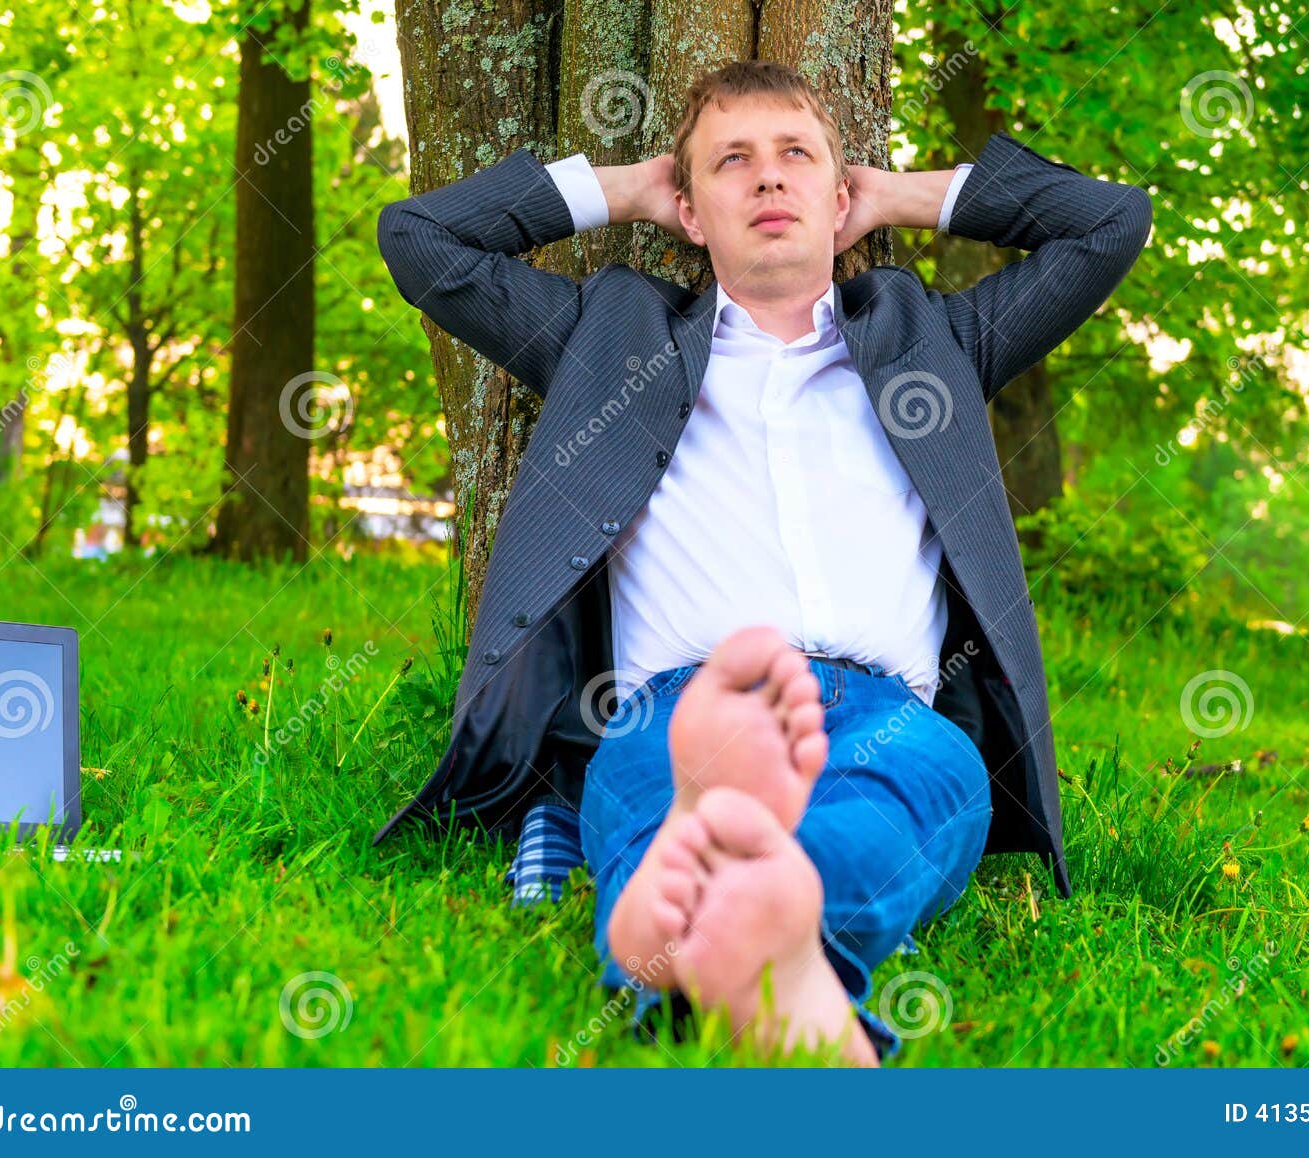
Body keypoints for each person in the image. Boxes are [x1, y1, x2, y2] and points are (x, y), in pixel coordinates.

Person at [374, 59, 1152, 1065]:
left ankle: (726, 938)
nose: (769, 177)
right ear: (689, 211)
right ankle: (780, 957)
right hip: (684, 711)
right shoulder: (609, 339)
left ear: (840, 197)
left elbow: (1111, 223)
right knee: (655, 801)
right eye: (731, 162)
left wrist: (897, 195)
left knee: (906, 802)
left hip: (887, 715)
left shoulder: (936, 341)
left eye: (797, 155)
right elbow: (417, 239)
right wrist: (628, 188)